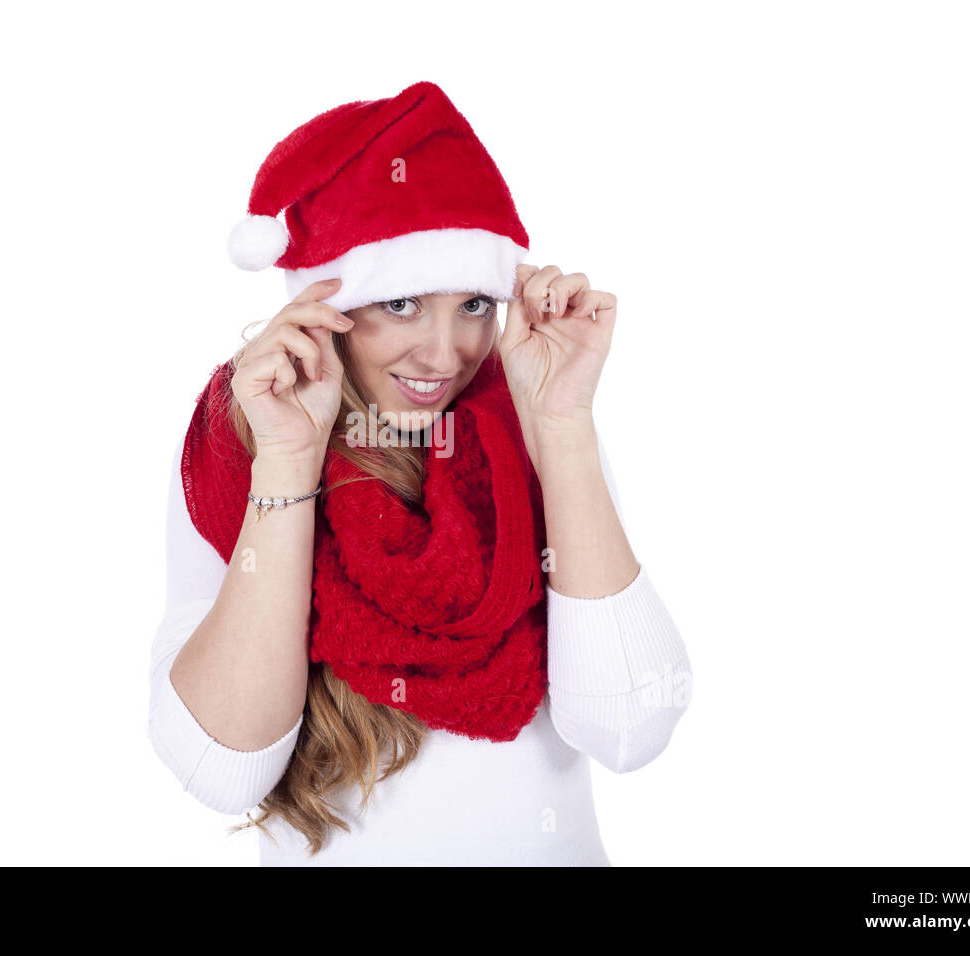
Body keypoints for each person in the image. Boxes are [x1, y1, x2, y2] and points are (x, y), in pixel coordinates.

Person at [147, 81, 693, 866]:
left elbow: (632, 727)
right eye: (401, 303)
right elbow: (222, 766)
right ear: (322, 305)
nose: (446, 356)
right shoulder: (237, 440)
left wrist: (564, 427)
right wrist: (289, 464)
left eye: (474, 304)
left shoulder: (534, 418)